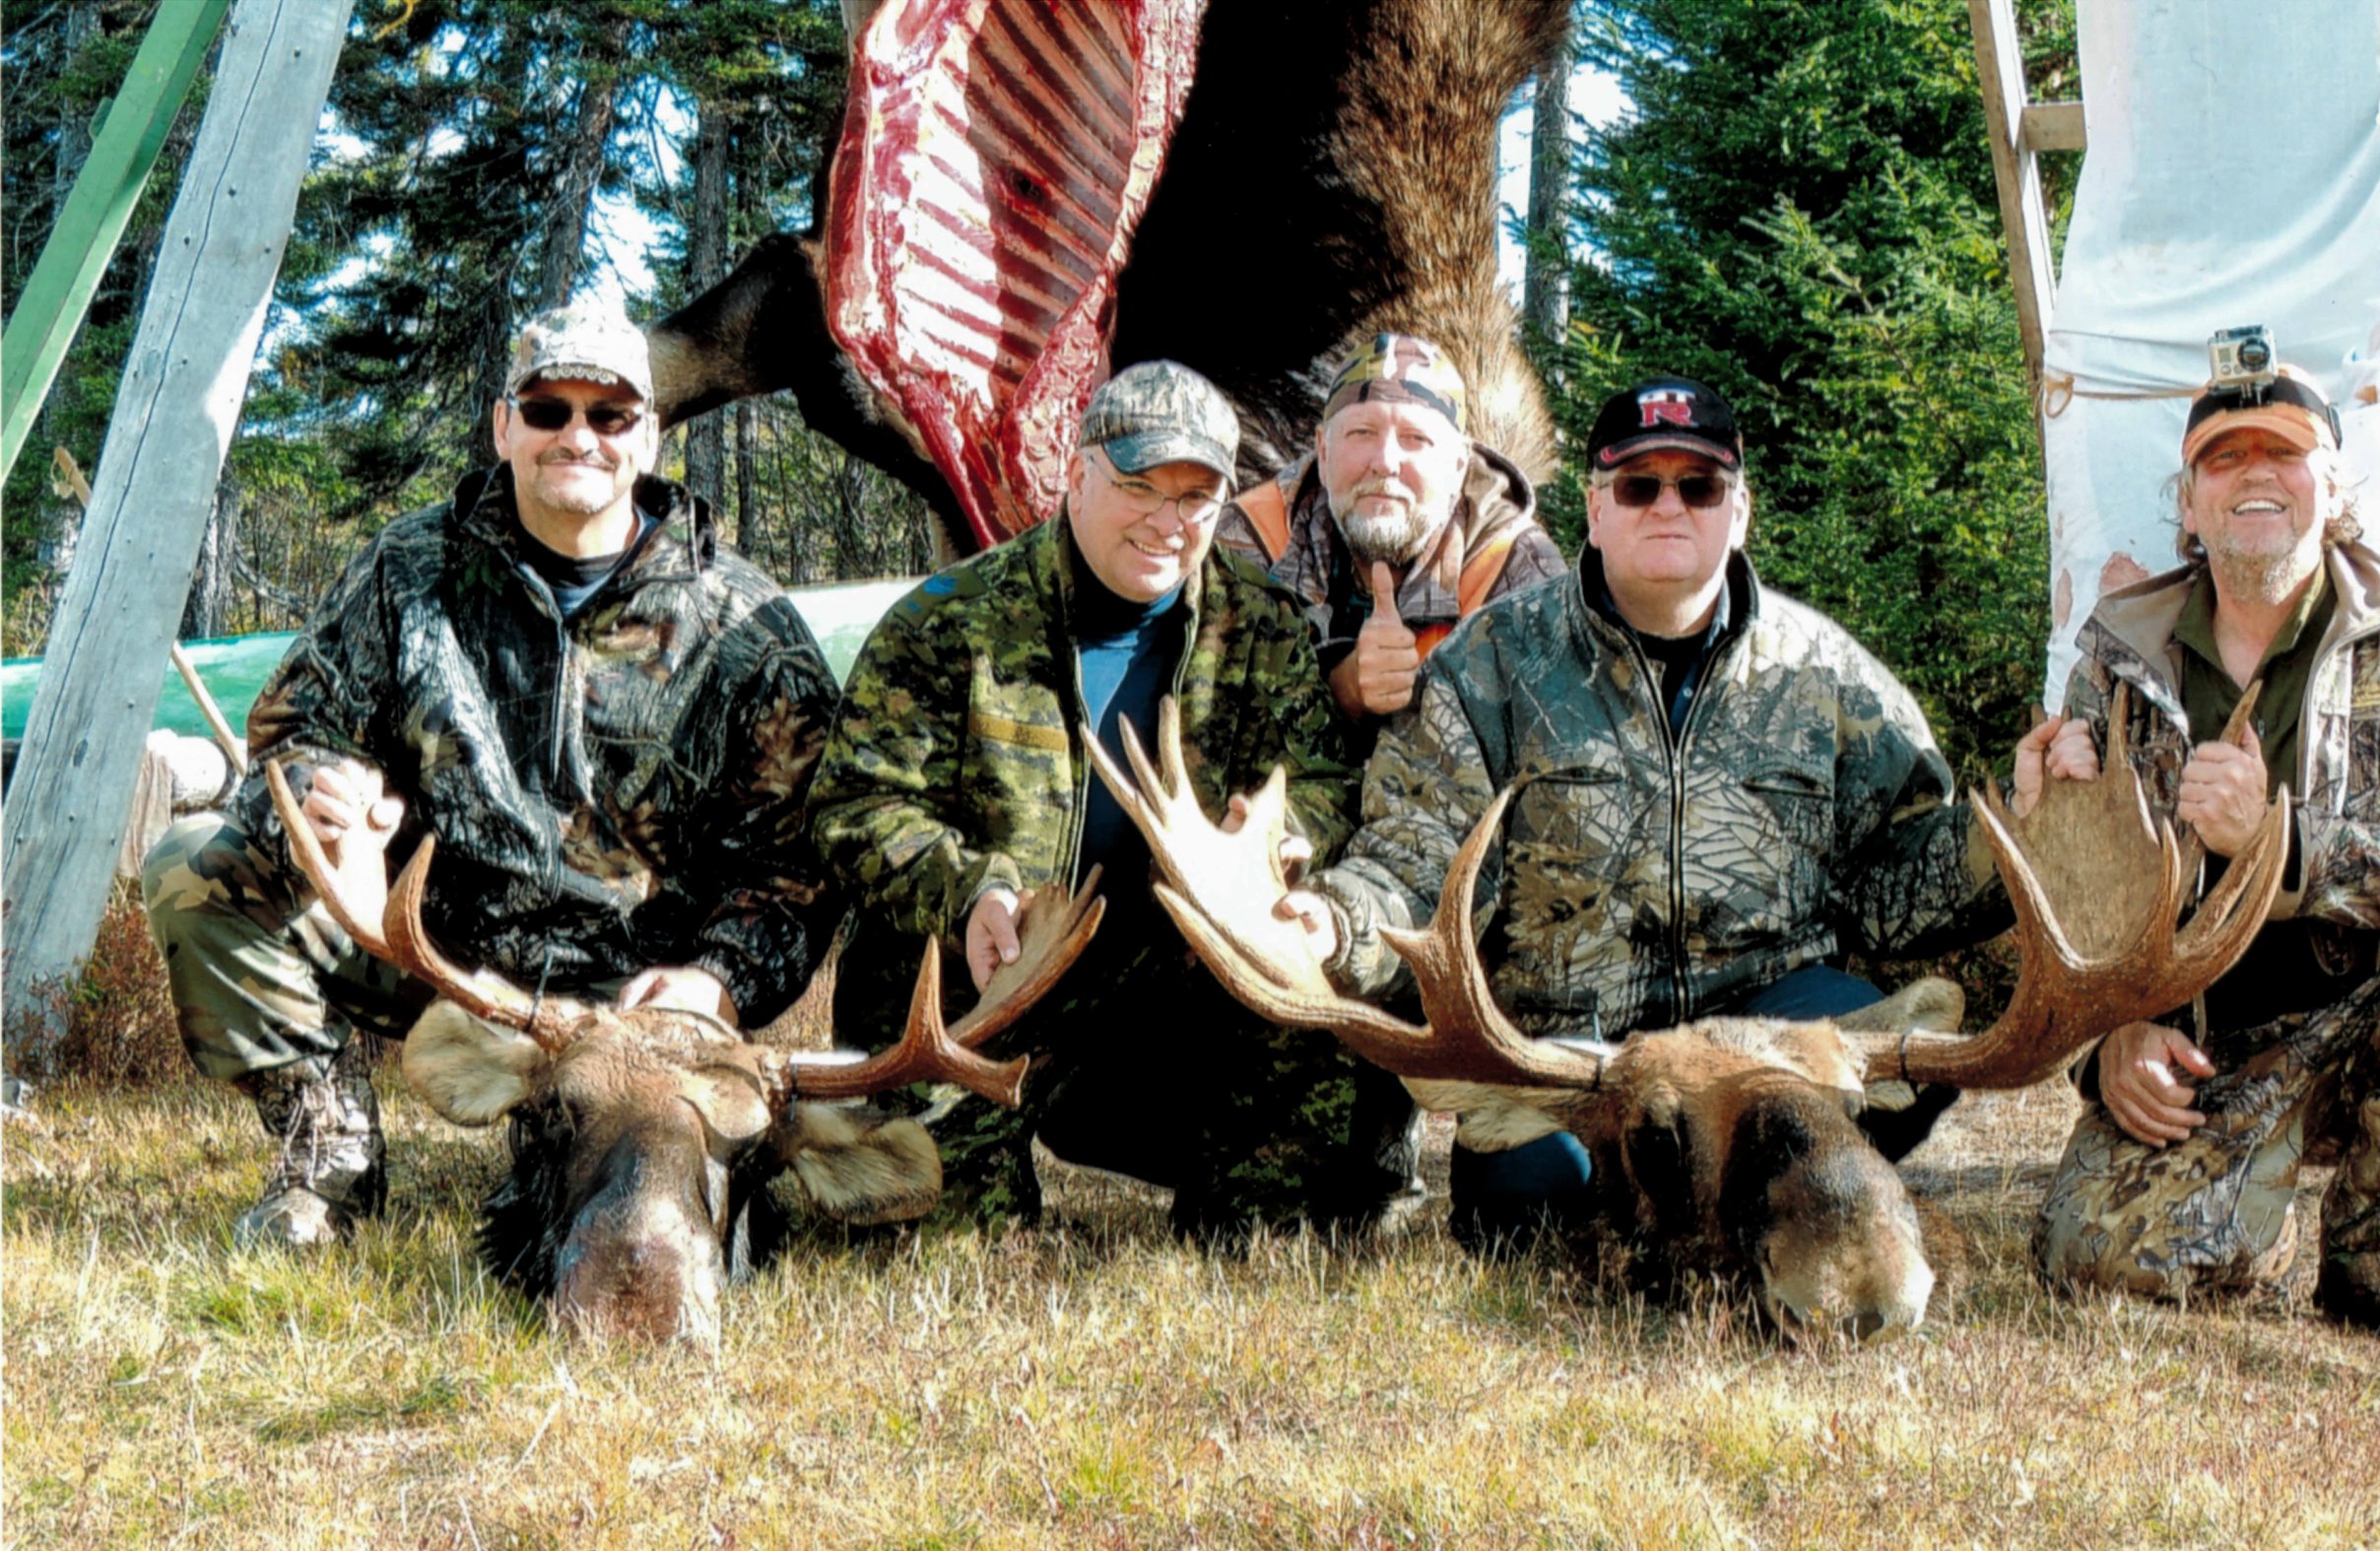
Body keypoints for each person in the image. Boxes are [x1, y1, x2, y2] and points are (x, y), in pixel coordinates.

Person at [1277, 375, 2070, 1245]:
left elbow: (1895, 881)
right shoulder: (1490, 668)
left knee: (1912, 1054)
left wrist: (2019, 833)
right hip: (1576, 1049)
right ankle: (1767, 1193)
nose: (1669, 507)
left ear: (1740, 511)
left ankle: (1758, 1191)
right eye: (1638, 484)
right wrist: (1338, 921)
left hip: (1767, 1029)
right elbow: (1413, 859)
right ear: (1594, 507)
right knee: (1530, 1204)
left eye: (1699, 486)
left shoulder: (1828, 675)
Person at [143, 299, 843, 1247]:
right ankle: (331, 1152)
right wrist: (320, 802)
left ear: (649, 438)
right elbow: (292, 730)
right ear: (505, 423)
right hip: (445, 962)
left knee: (636, 1211)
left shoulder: (744, 627)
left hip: (636, 1010)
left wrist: (712, 983)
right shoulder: (409, 571)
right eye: (549, 410)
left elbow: (795, 871)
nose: (578, 437)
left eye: (609, 416)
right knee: (194, 867)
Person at [811, 361, 1420, 1238]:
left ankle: (1236, 1219)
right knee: (940, 1238)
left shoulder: (1263, 628)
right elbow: (856, 806)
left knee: (1303, 1162)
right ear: (1079, 471)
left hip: (1167, 985)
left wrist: (1281, 840)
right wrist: (967, 889)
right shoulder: (948, 623)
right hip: (980, 987)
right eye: (1138, 486)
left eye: (1195, 499)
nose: (1166, 523)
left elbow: (1323, 786)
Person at [2030, 364, 2380, 1353]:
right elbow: (2076, 908)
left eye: (2282, 452)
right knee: (2098, 1262)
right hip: (2208, 1052)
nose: (2253, 472)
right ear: (2190, 503)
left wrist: (2283, 845)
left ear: (2330, 487)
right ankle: (2246, 1214)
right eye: (2223, 457)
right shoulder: (2118, 664)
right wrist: (2113, 1036)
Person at [1214, 333, 1563, 746]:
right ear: (1322, 453)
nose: (1385, 462)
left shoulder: (1515, 569)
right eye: (1362, 432)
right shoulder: (1249, 539)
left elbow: (1549, 747)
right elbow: (1210, 719)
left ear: (1457, 467)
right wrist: (1344, 690)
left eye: (1416, 439)